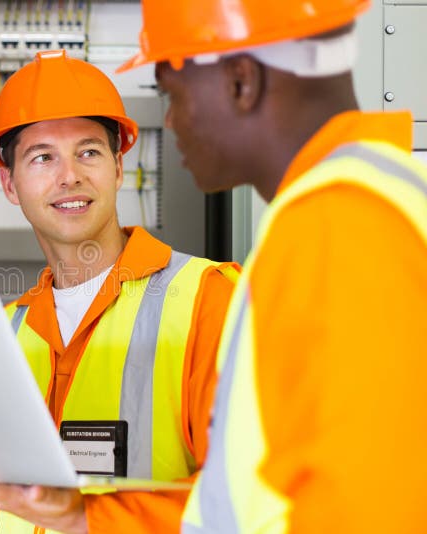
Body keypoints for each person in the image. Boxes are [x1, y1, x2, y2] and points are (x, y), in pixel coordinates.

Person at [117, 0, 427, 532]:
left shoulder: (337, 227)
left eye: (172, 94)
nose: (168, 121)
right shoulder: (352, 204)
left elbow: (366, 509)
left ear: (241, 81)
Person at [0, 49, 239, 534]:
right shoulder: (3, 336)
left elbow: (245, 502)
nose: (69, 175)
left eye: (89, 151)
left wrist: (83, 518)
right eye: (43, 157)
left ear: (119, 168)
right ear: (10, 184)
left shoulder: (207, 300)